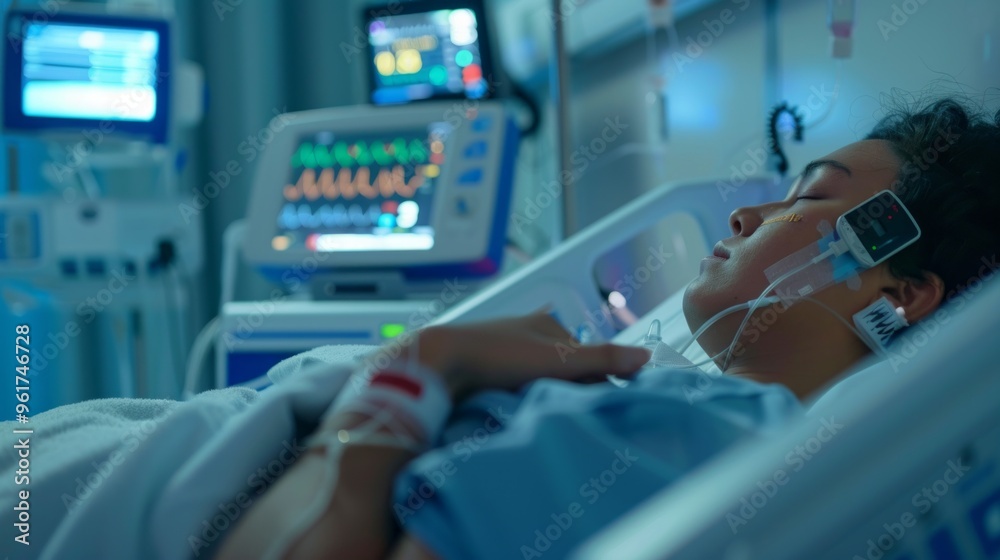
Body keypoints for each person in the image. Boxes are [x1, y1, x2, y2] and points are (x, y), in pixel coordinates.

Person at [216, 98, 1000, 560]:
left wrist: (424, 364)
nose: (745, 213)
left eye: (804, 200)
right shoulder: (675, 405)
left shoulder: (705, 430)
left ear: (903, 295)